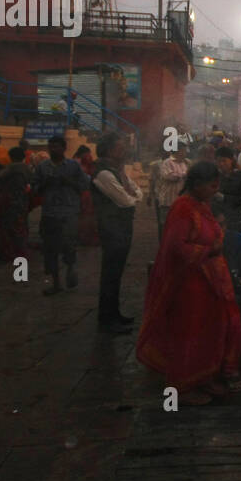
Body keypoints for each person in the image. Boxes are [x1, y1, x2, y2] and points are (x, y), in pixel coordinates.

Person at [136, 161, 241, 405]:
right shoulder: (182, 208)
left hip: (210, 282)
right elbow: (177, 247)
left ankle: (203, 378)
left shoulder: (201, 204)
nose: (215, 191)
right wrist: (211, 249)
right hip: (190, 284)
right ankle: (182, 388)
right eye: (212, 186)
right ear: (197, 184)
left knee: (209, 331)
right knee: (190, 334)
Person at [90, 132, 143, 333]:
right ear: (110, 150)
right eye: (120, 148)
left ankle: (114, 313)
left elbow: (136, 192)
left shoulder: (117, 171)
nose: (124, 151)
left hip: (121, 228)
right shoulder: (104, 173)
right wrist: (132, 196)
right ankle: (107, 319)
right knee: (111, 274)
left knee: (117, 273)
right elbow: (126, 200)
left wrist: (132, 196)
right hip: (111, 229)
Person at [34, 135, 90, 295]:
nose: (53, 149)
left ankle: (71, 268)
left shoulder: (73, 166)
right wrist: (46, 183)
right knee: (50, 248)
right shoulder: (43, 167)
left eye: (56, 147)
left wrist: (68, 182)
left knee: (69, 244)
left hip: (69, 211)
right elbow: (35, 187)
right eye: (50, 146)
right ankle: (56, 283)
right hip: (49, 212)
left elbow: (85, 185)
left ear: (64, 148)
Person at [0, 146, 32, 263]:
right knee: (20, 226)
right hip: (22, 200)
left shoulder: (11, 168)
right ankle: (21, 252)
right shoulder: (27, 168)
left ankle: (11, 253)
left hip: (9, 201)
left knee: (8, 227)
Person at [213, 146, 241, 232]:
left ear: (231, 160)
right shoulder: (214, 176)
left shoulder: (240, 176)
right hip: (216, 219)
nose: (221, 164)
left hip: (234, 218)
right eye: (218, 161)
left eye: (224, 161)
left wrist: (224, 198)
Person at [154, 148, 189, 236]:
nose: (185, 153)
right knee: (166, 227)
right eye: (184, 151)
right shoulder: (167, 162)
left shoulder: (184, 163)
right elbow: (170, 177)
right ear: (178, 151)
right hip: (168, 201)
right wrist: (184, 174)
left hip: (180, 201)